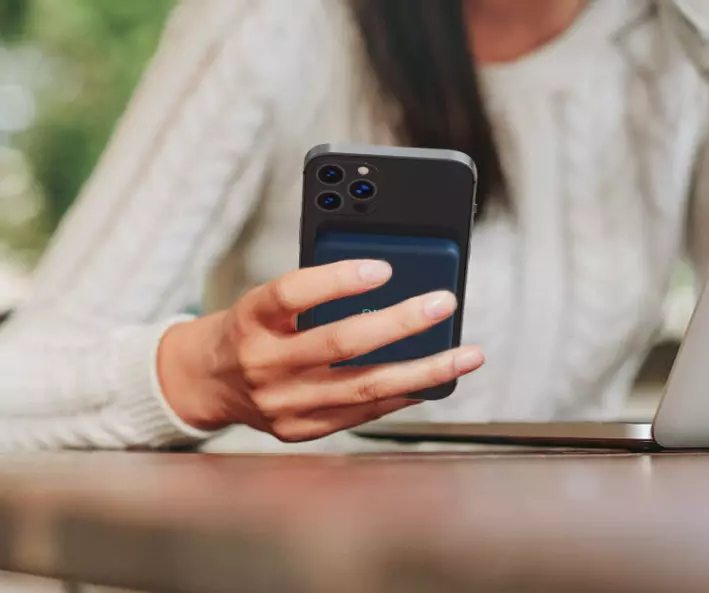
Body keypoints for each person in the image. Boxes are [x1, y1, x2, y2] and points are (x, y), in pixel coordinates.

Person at [0, 0, 708, 451]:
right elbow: (18, 388)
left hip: (567, 555)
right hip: (297, 554)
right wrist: (200, 373)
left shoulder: (681, 47)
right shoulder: (273, 24)